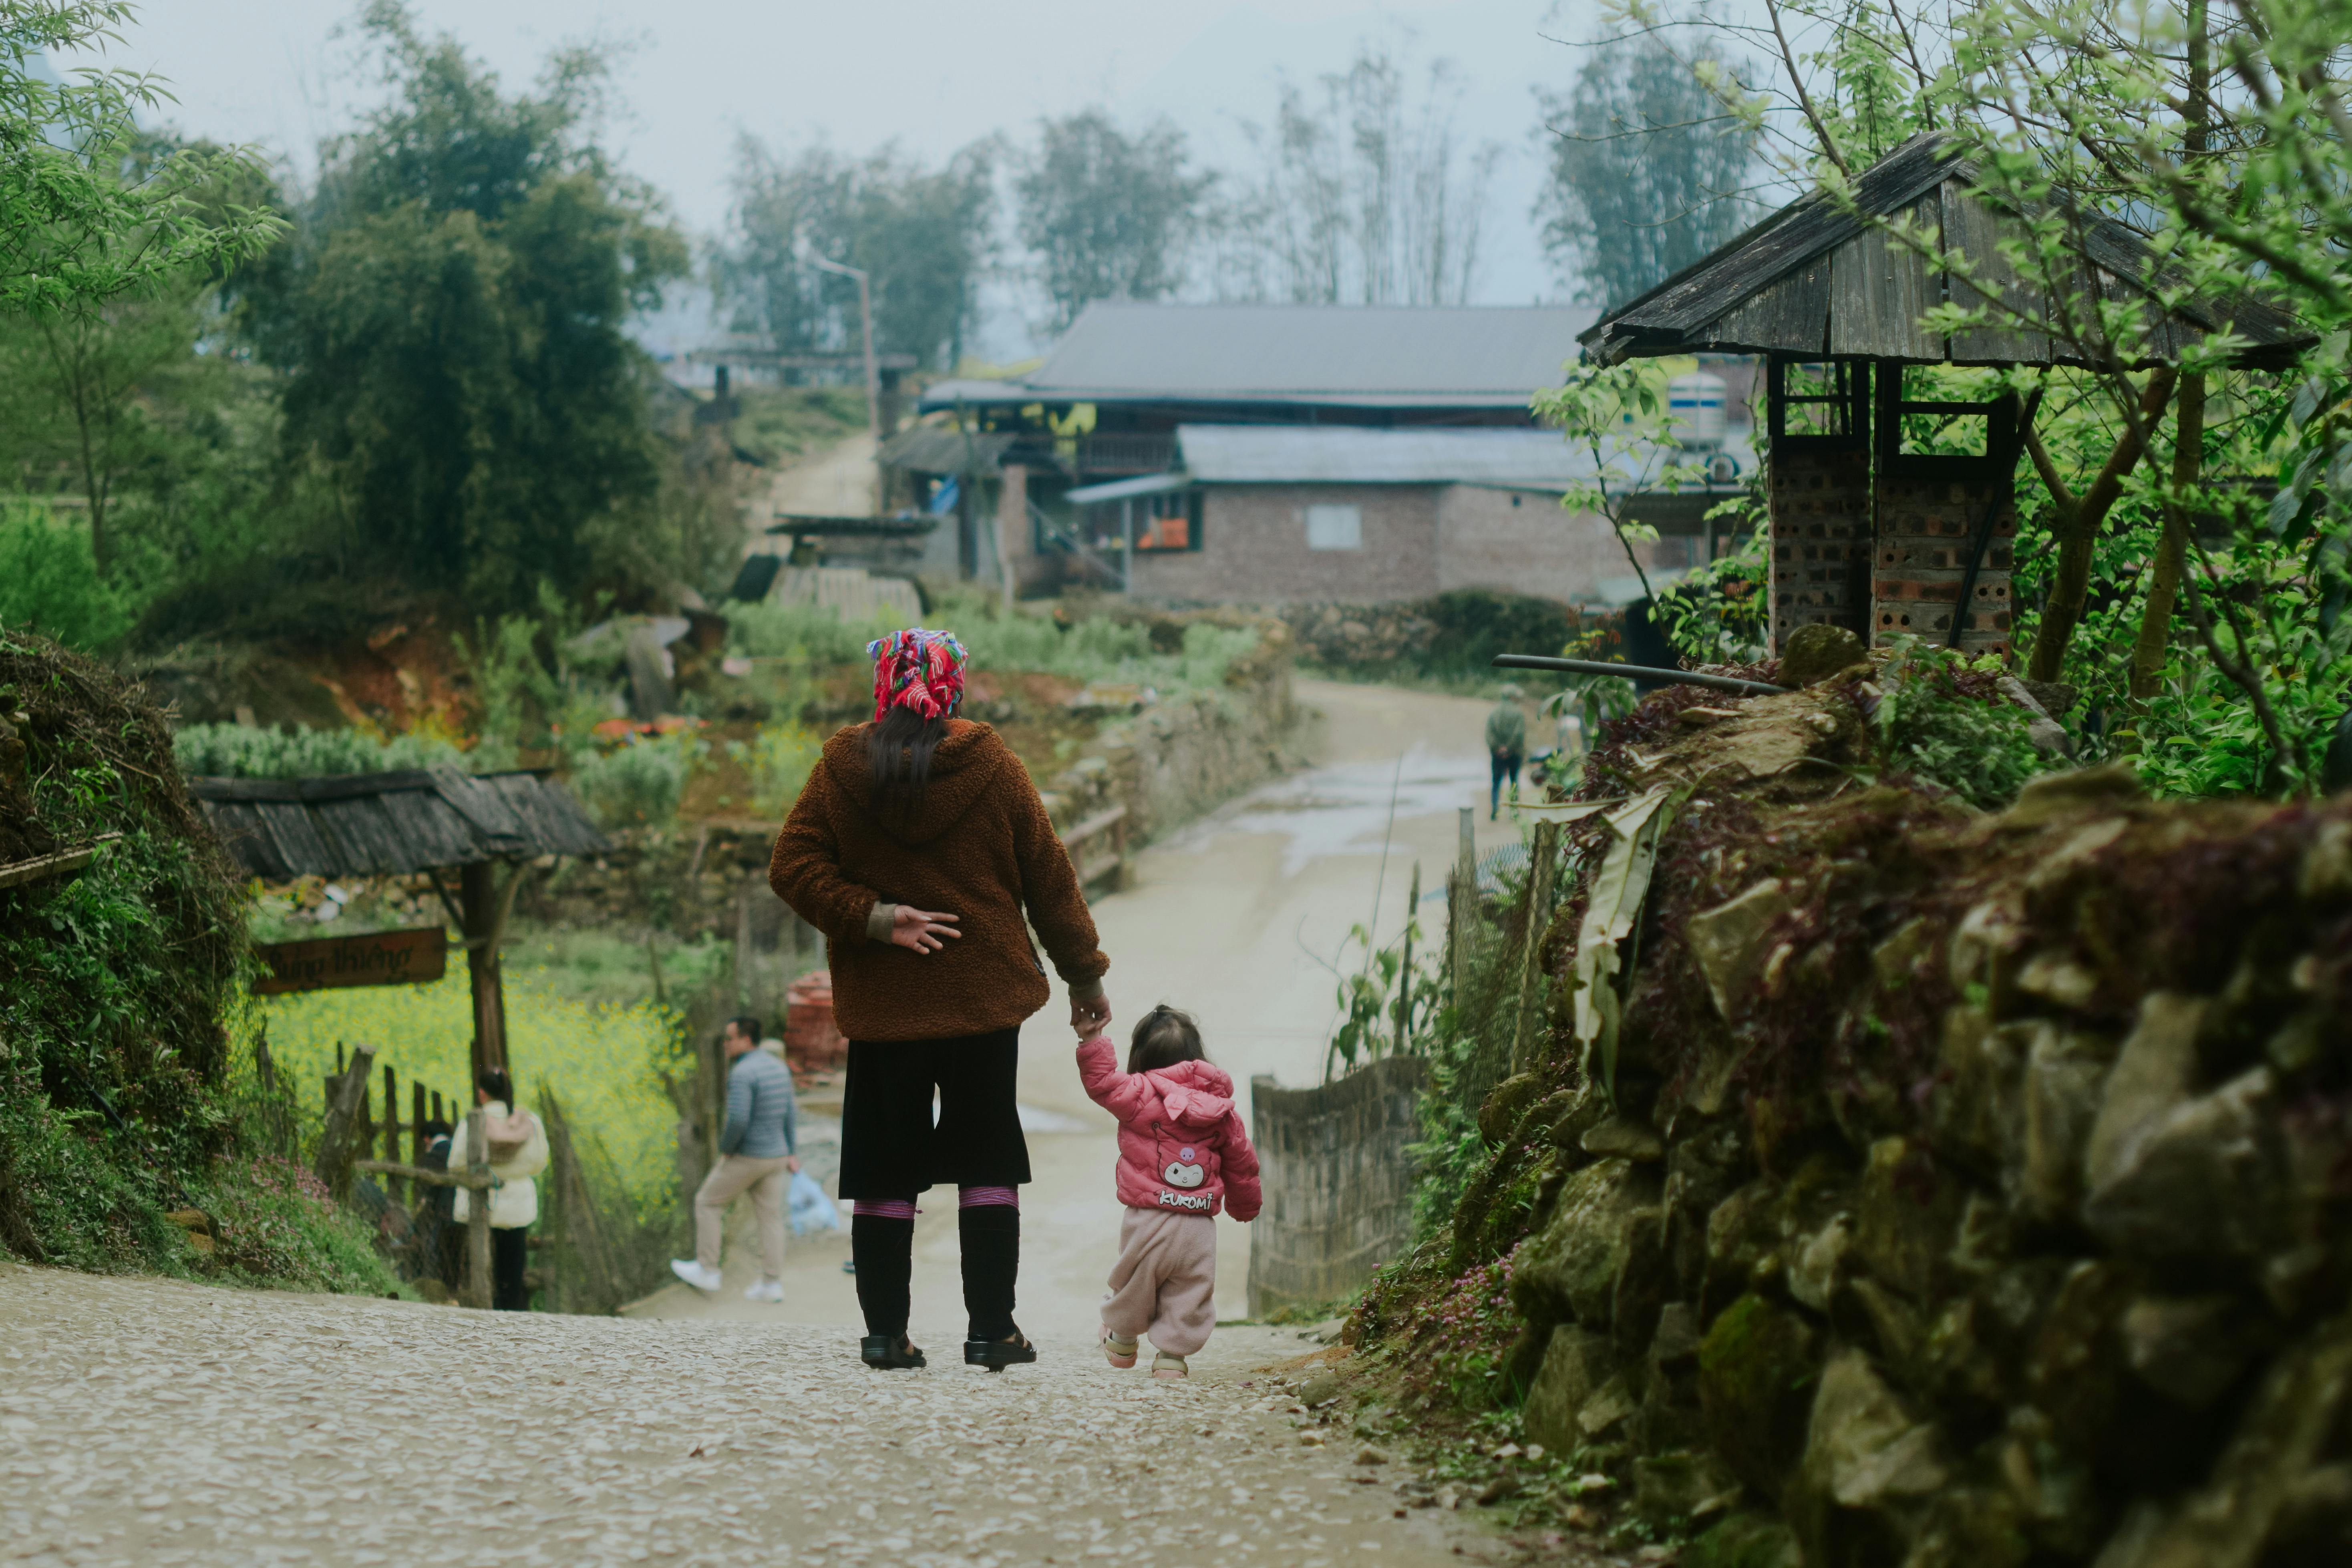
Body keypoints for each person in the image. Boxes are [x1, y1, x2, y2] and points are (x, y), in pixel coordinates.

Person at [769, 626, 1111, 1373]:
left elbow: (791, 866)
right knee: (986, 1163)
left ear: (882, 685)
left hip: (884, 1010)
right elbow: (1049, 877)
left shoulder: (842, 769)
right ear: (953, 686)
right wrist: (1083, 977)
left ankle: (885, 1337)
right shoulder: (992, 765)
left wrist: (873, 918)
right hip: (981, 1002)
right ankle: (992, 1331)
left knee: (882, 1169)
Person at [1075, 1005, 1260, 1379]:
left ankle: (1122, 1341)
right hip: (1198, 1228)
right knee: (1189, 1291)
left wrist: (1091, 1038)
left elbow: (1102, 1082)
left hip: (1147, 1219)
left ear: (1141, 1057)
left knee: (1135, 1281)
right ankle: (1172, 1359)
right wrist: (1244, 1207)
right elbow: (1242, 1164)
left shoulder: (1138, 1094)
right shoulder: (1222, 1111)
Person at [670, 1015, 801, 1303]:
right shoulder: (778, 1067)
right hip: (778, 1156)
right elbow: (790, 1113)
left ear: (746, 1039)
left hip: (749, 1155)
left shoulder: (743, 1073)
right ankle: (771, 1284)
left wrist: (727, 1149)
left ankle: (708, 1270)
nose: (725, 1044)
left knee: (707, 1203)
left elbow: (738, 1119)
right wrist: (792, 1152)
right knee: (771, 1219)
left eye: (729, 1039)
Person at [449, 1068, 548, 1312]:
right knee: (512, 1266)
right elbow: (540, 1162)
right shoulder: (531, 1122)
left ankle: (482, 1312)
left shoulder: (472, 1121)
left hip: (481, 1204)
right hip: (518, 1205)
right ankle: (511, 1312)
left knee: (481, 1263)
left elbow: (456, 1164)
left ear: (482, 1093)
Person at [1486, 683, 1528, 820]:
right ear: (1512, 697)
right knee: (1514, 782)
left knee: (1496, 782)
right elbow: (1519, 734)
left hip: (1497, 754)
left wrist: (1498, 748)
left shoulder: (1494, 712)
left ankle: (1495, 810)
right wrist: (1509, 748)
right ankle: (1514, 811)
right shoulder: (1518, 713)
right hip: (1514, 753)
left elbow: (1489, 733)